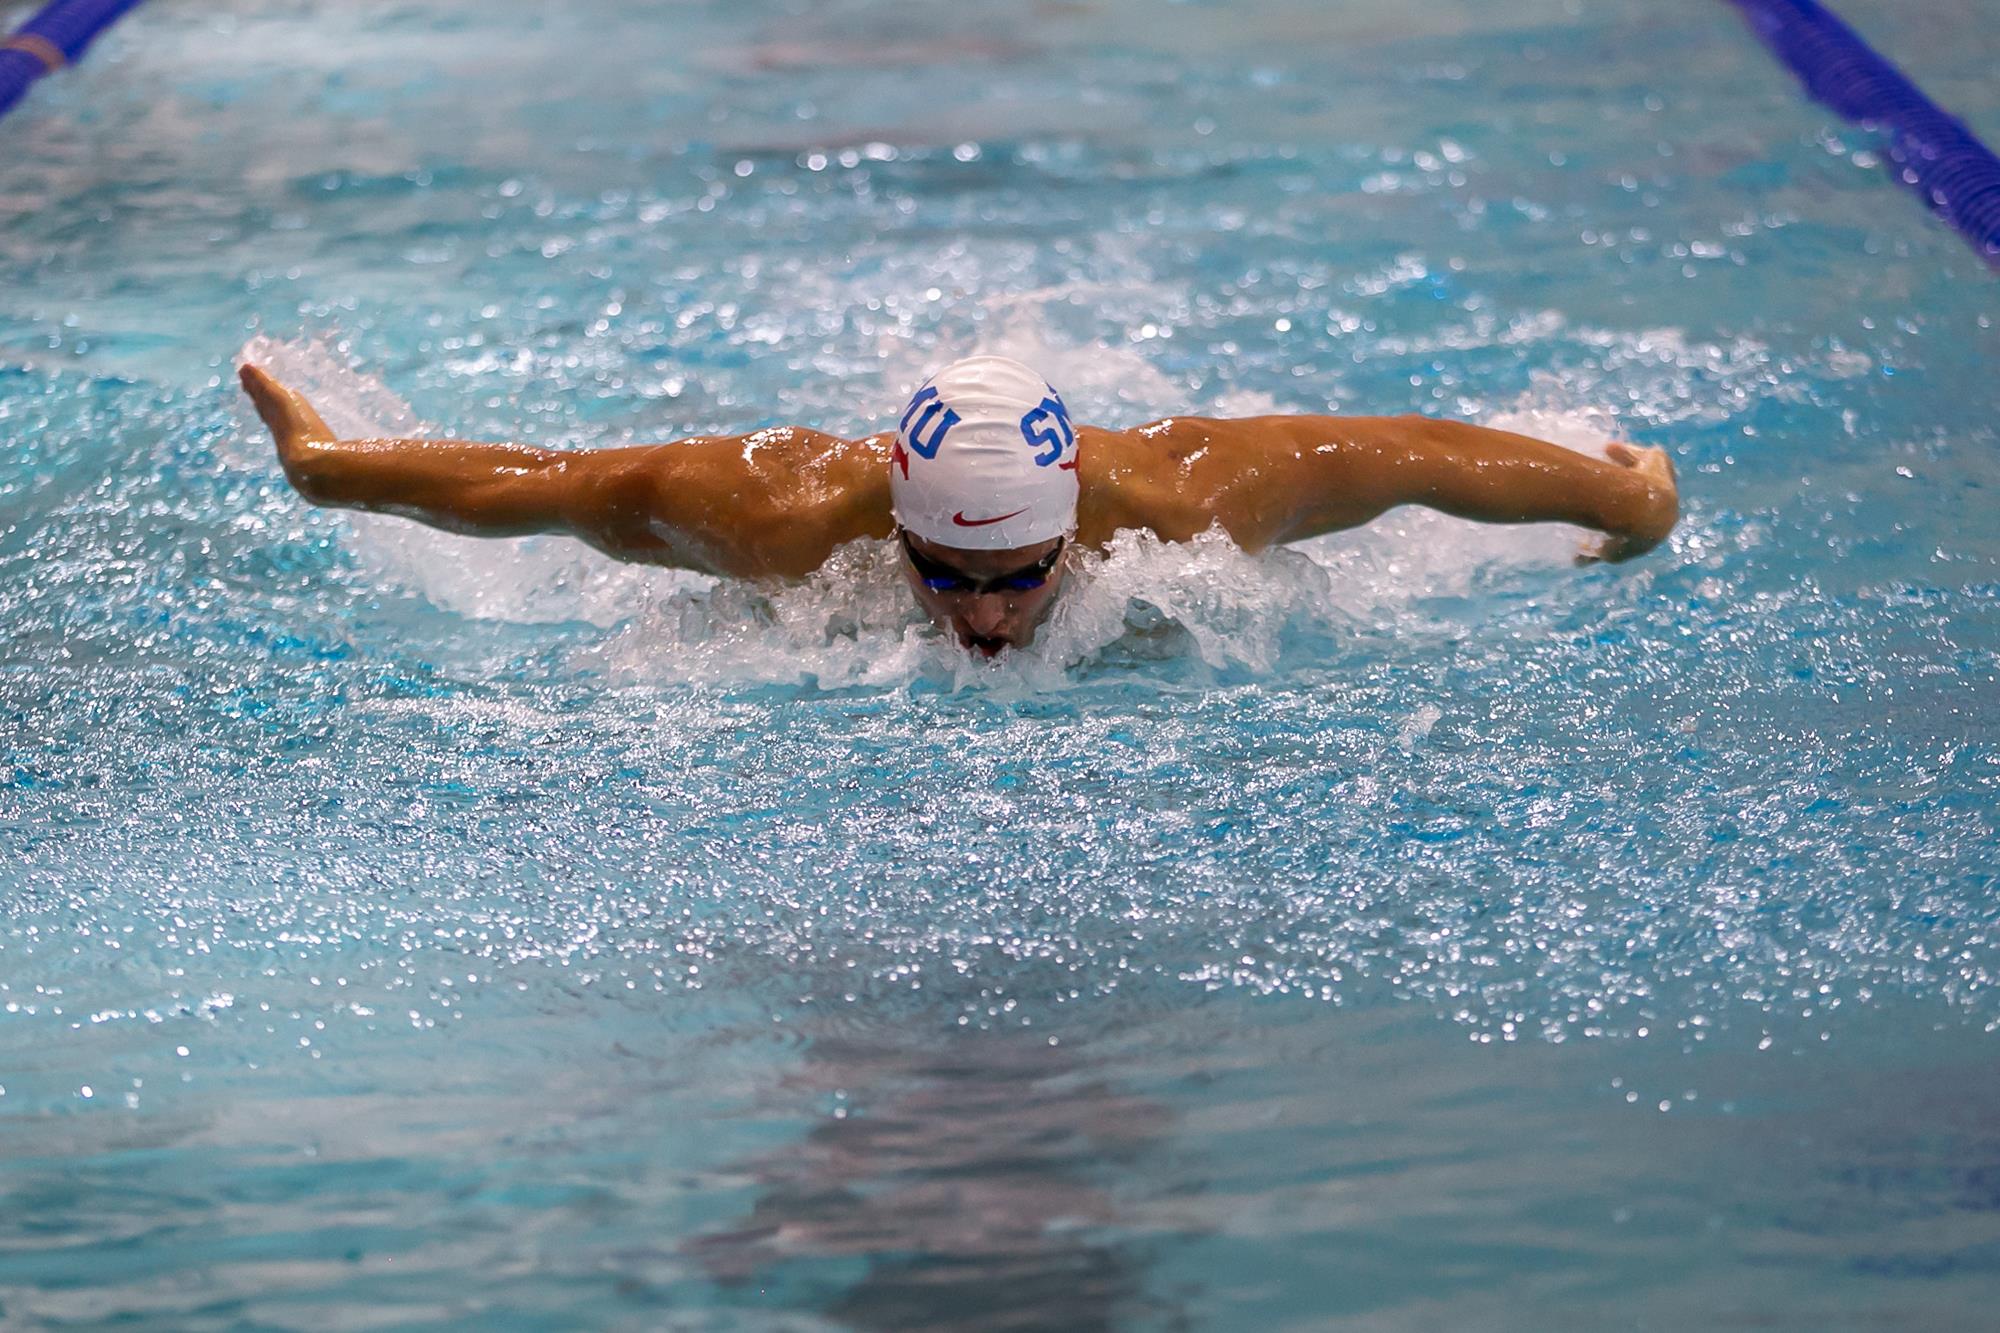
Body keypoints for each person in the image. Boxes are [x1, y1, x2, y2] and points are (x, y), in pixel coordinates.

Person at [239, 353, 1678, 657]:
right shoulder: (779, 518)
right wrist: (328, 469)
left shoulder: (1176, 504)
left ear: (1075, 535)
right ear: (893, 533)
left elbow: (1416, 452)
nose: (985, 613)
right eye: (941, 577)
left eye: (1018, 576)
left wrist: (1630, 501)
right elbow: (545, 489)